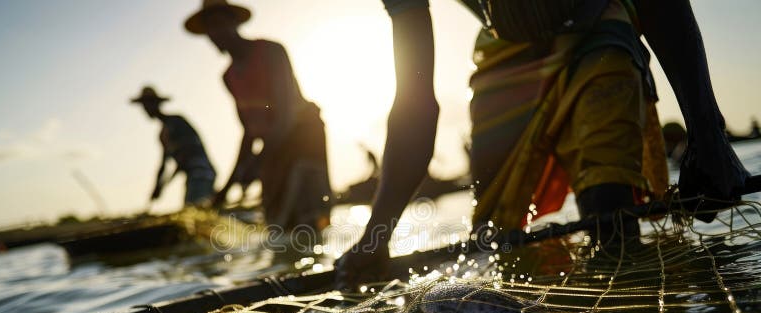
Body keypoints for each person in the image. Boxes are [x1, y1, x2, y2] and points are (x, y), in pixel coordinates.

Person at [335, 0, 749, 287]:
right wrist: (376, 236)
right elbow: (415, 103)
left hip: (596, 22)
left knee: (610, 221)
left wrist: (707, 133)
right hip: (507, 50)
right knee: (496, 237)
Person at [185, 0, 332, 231]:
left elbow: (286, 116)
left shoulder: (271, 51)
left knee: (308, 214)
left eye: (219, 24)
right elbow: (249, 131)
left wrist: (257, 162)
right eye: (209, 30)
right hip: (272, 147)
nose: (214, 34)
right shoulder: (229, 76)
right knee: (276, 223)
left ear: (233, 22)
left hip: (304, 136)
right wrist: (225, 190)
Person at [131, 86, 217, 207]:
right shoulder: (162, 135)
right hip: (192, 176)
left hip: (201, 172)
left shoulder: (177, 121)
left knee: (194, 209)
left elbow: (190, 149)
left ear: (157, 104)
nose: (146, 109)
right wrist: (157, 187)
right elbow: (164, 164)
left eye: (149, 104)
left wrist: (169, 178)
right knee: (192, 208)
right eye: (144, 106)